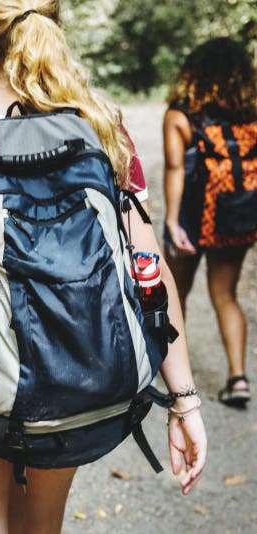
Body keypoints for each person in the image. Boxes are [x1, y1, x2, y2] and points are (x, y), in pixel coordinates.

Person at [0, 1, 208, 532]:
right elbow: (150, 270)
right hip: (69, 377)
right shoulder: (101, 130)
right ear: (55, 27)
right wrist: (185, 401)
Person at [163, 37, 257, 408]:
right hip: (233, 218)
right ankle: (237, 378)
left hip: (189, 217)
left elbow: (174, 170)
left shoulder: (180, 115)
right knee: (226, 296)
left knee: (174, 294)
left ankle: (175, 374)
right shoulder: (250, 116)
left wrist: (171, 223)